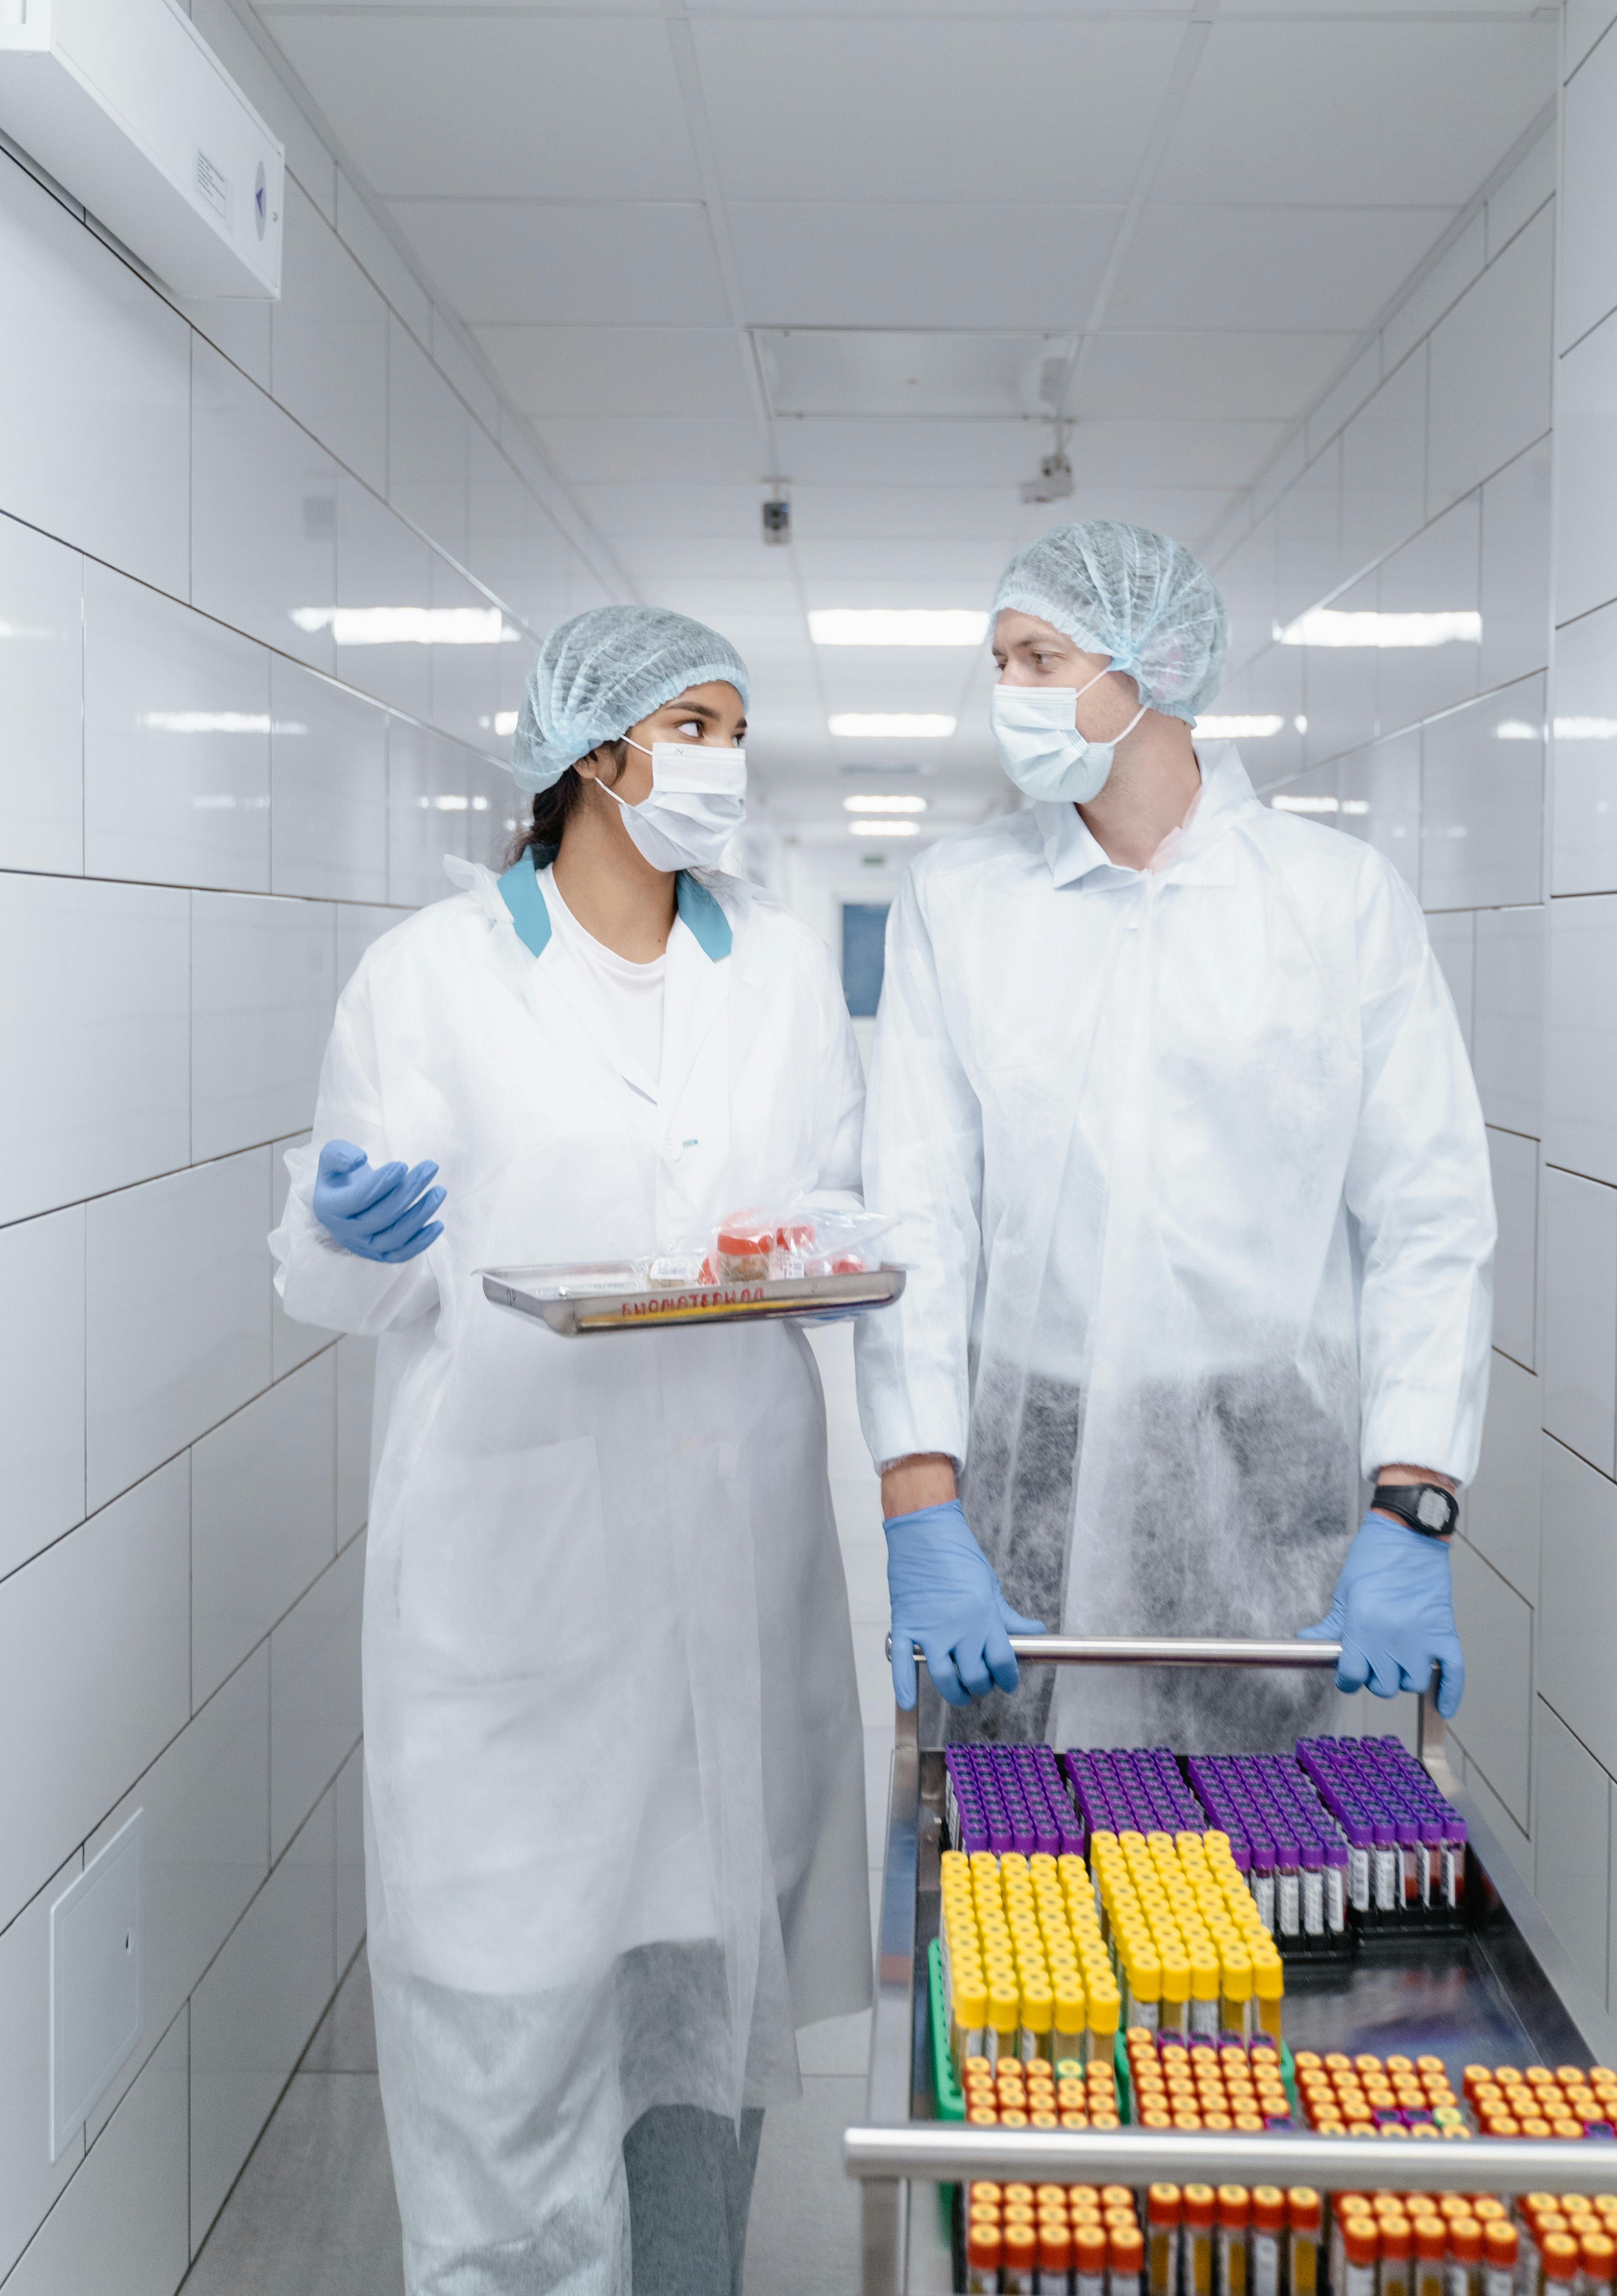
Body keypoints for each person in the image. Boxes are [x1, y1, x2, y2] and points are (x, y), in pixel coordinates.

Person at [271, 605, 870, 2296]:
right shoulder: (434, 975)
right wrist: (349, 1232)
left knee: (696, 2056)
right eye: (695, 721)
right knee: (508, 2064)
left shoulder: (780, 970)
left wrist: (819, 1240)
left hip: (726, 1605)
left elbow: (826, 1196)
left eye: (736, 726)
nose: (723, 760)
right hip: (515, 1620)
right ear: (593, 753)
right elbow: (341, 1277)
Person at [858, 520, 1495, 1753]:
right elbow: (915, 1211)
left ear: (1149, 667)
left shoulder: (1332, 900)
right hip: (1026, 1456)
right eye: (999, 661)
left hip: (1269, 1469)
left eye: (1040, 658)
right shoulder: (961, 903)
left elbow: (1430, 1213)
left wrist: (1411, 1503)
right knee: (1026, 1881)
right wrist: (918, 1503)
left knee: (1249, 1897)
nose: (1009, 695)